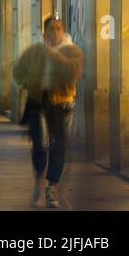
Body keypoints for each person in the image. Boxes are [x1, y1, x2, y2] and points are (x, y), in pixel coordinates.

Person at [13, 17, 83, 208]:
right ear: (44, 33)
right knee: (38, 146)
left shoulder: (72, 51)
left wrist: (50, 53)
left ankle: (52, 187)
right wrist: (28, 81)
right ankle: (39, 181)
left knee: (58, 146)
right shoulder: (35, 50)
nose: (54, 33)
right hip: (37, 103)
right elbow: (17, 71)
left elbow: (71, 72)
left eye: (58, 29)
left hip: (60, 105)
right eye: (51, 29)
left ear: (63, 31)